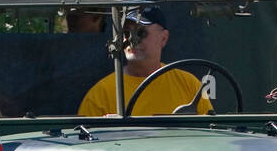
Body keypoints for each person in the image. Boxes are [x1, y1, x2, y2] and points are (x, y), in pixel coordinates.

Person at [78, 6, 212, 117]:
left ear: (163, 38)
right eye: (126, 33)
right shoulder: (100, 95)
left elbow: (211, 135)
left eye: (141, 33)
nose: (132, 40)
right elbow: (85, 144)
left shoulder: (190, 85)